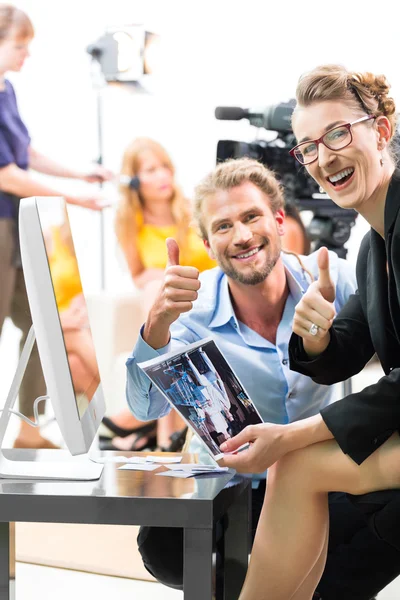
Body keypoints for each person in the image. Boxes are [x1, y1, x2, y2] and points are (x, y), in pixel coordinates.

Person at [124, 157, 400, 599]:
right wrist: (155, 327)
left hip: (312, 483)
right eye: (223, 226)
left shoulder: (331, 279)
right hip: (231, 489)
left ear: (278, 219)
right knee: (162, 547)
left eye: (252, 216)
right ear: (208, 243)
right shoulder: (192, 315)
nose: (243, 235)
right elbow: (144, 409)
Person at [220, 65, 400, 600]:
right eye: (308, 148)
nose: (324, 158)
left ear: (382, 131)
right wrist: (316, 337)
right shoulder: (374, 244)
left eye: (338, 134)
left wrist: (288, 436)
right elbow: (347, 346)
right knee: (295, 466)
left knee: (295, 461)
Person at [0, 4, 113, 449]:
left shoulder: (6, 91)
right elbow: (7, 173)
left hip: (15, 226)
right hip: (3, 226)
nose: (26, 55)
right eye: (18, 46)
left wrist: (80, 174)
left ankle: (28, 430)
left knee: (43, 323)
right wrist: (76, 198)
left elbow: (24, 154)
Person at [102, 137, 216, 451]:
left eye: (165, 166)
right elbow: (138, 273)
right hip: (172, 305)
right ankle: (165, 429)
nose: (163, 175)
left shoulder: (192, 208)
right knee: (156, 291)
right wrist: (163, 279)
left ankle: (154, 427)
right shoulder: (128, 222)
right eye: (151, 170)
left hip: (208, 294)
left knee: (163, 296)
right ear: (135, 179)